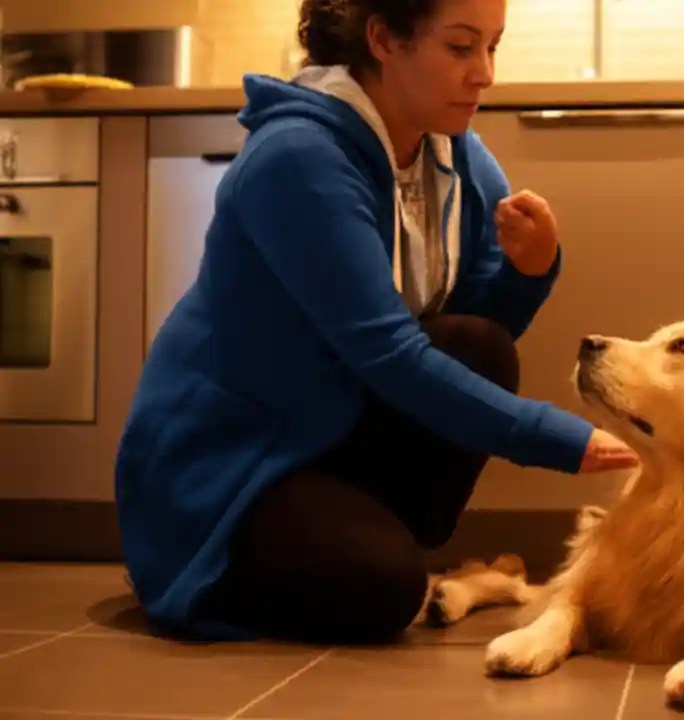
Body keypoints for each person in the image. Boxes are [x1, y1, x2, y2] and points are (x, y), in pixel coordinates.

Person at [114, 0, 639, 645]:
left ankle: (357, 544)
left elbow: (469, 332)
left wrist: (527, 273)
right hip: (228, 464)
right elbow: (390, 354)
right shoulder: (298, 157)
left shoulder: (456, 159)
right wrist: (561, 438)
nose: (485, 74)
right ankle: (310, 561)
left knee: (478, 347)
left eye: (492, 47)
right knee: (382, 591)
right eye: (460, 47)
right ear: (385, 39)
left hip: (322, 424)